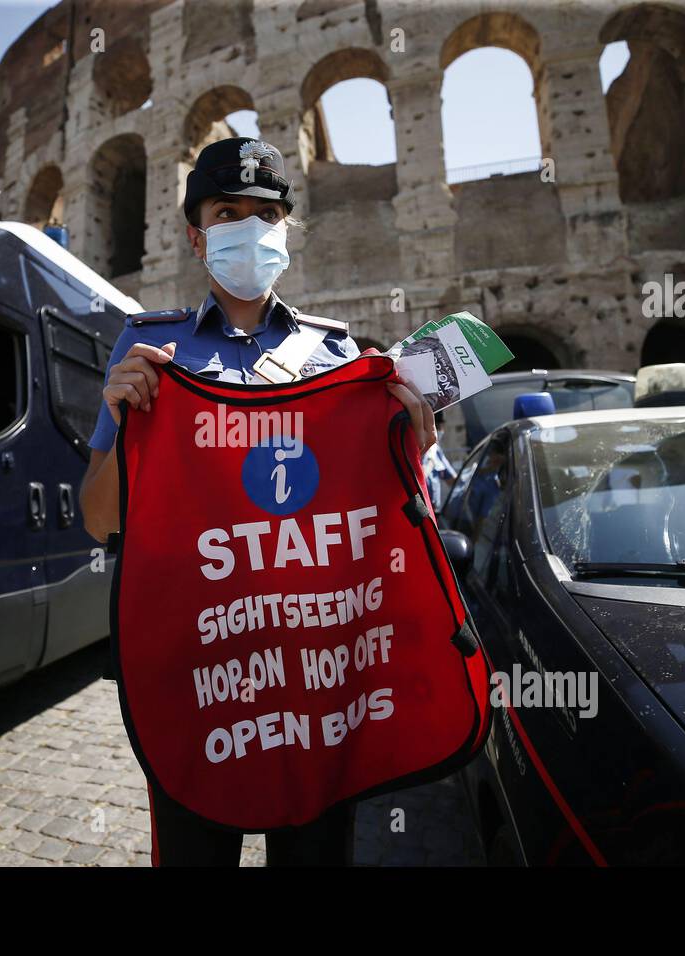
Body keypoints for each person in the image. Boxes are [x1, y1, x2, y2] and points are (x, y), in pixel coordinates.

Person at [79, 136, 437, 866]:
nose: (249, 225)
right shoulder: (149, 351)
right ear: (196, 233)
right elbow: (99, 519)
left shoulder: (341, 359)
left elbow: (384, 526)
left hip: (315, 681)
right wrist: (121, 425)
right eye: (228, 210)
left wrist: (412, 452)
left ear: (286, 231)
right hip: (195, 678)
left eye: (266, 212)